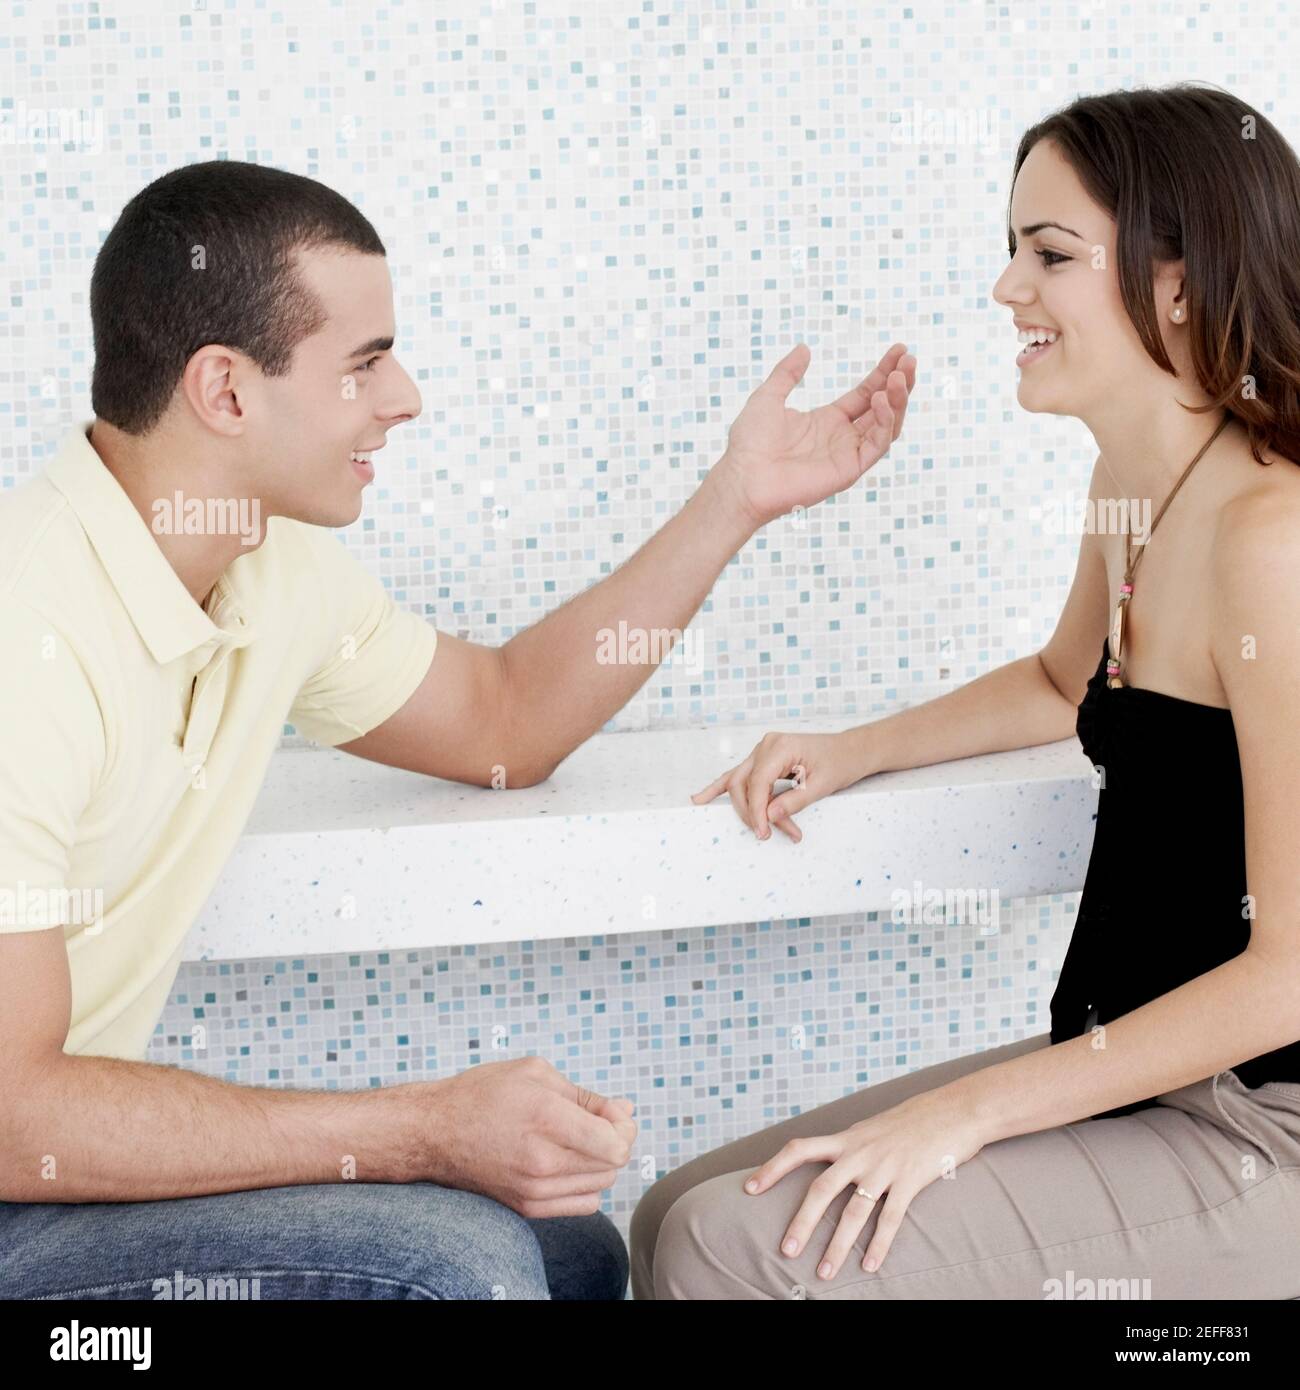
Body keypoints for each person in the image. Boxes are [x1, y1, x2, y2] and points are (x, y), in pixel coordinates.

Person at [0, 159, 915, 1299]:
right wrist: (425, 1129)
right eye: (365, 365)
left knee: (564, 1255)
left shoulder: (265, 565)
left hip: (44, 1187)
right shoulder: (25, 627)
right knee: (463, 1274)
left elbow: (505, 722)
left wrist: (735, 499)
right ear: (227, 391)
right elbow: (15, 1112)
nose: (406, 398)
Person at [635, 83, 1300, 1300]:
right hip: (1138, 1073)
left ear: (1181, 279)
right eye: (1010, 251)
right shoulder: (1134, 480)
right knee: (677, 1208)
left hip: (1263, 1135)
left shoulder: (1274, 538)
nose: (1006, 290)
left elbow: (1293, 971)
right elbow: (1063, 681)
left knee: (729, 1253)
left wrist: (967, 1112)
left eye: (1049, 254)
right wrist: (858, 748)